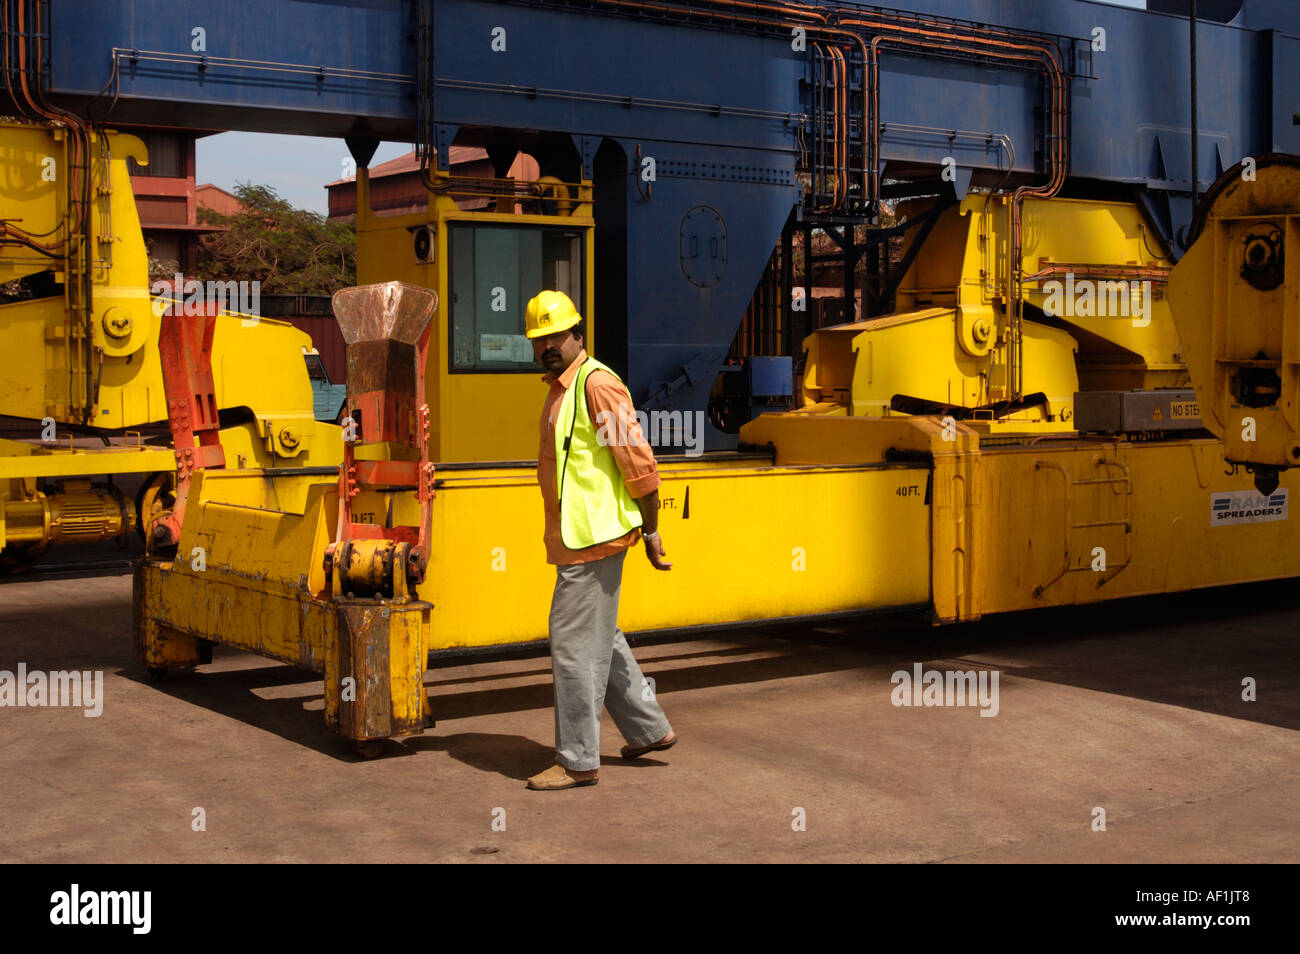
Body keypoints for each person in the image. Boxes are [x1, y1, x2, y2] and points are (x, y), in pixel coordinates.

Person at [523, 289, 676, 791]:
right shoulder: (562, 389)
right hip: (583, 537)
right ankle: (648, 730)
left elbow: (639, 465)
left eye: (556, 335)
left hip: (593, 541)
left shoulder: (597, 386)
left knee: (571, 647)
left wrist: (653, 529)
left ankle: (577, 760)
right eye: (539, 338)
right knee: (601, 639)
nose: (548, 345)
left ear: (577, 333)